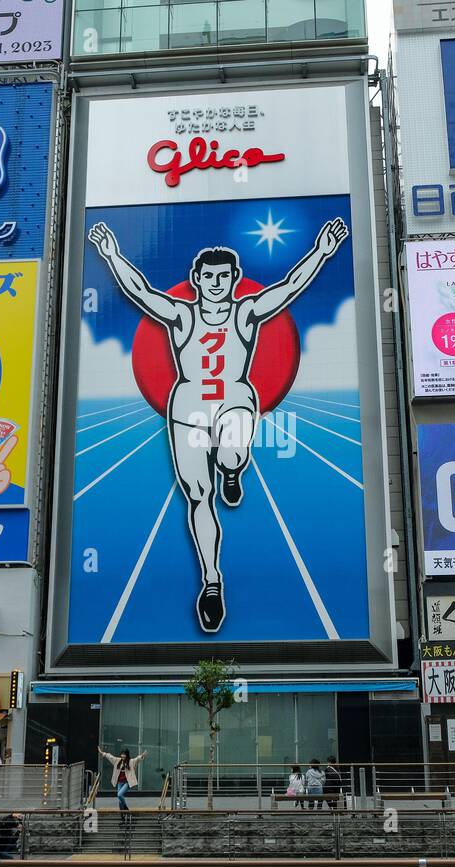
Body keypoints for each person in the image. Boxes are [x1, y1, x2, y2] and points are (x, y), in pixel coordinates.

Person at [88, 218, 348, 633]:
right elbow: (139, 291)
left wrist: (321, 251)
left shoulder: (246, 314)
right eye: (208, 276)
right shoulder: (180, 315)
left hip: (234, 400)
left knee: (231, 451)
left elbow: (289, 288)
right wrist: (112, 255)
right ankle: (212, 581)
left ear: (233, 279)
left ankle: (232, 469)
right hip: (188, 407)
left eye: (223, 276)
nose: (215, 282)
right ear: (196, 279)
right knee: (197, 495)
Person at [98, 746, 147, 815]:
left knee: (119, 795)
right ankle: (122, 815)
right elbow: (110, 756)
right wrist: (102, 753)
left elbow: (137, 759)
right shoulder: (117, 761)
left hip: (127, 783)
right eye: (122, 754)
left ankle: (126, 809)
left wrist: (142, 755)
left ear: (127, 755)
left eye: (124, 754)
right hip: (120, 783)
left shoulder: (131, 761)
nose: (123, 755)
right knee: (120, 800)